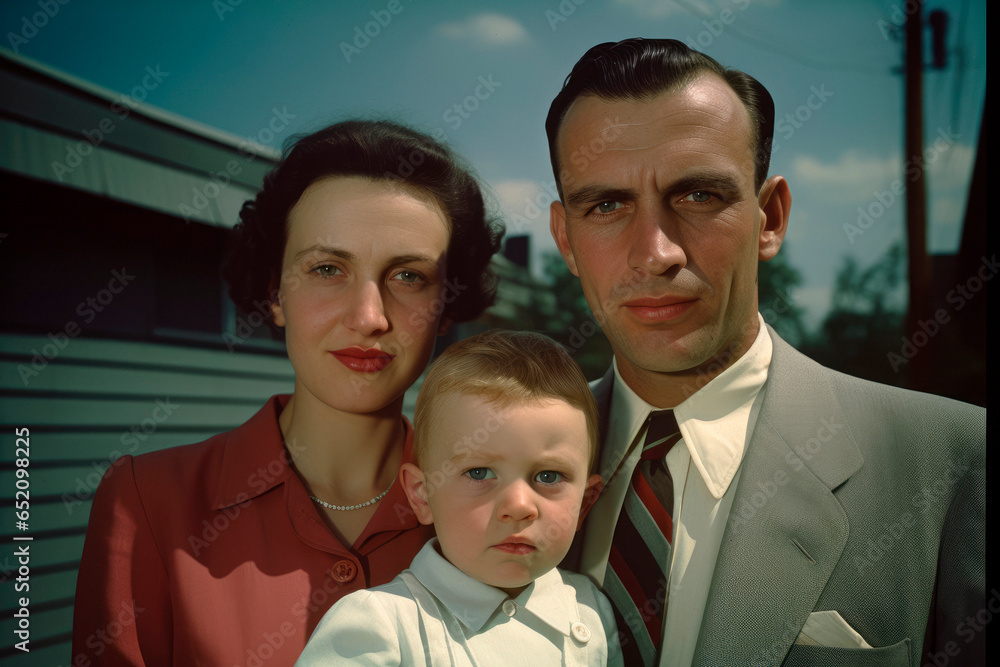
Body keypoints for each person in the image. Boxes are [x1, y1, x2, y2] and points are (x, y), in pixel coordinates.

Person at [546, 39, 985, 666]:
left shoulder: (959, 467)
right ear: (566, 238)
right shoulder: (482, 466)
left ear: (770, 217)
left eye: (698, 196)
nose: (656, 252)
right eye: (607, 205)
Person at [71, 119, 503, 665]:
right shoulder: (145, 503)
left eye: (409, 277)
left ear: (446, 307)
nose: (369, 317)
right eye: (327, 268)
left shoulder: (503, 504)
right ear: (275, 293)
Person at [296, 330, 623, 666]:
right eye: (479, 473)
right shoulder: (380, 625)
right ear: (422, 495)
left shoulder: (590, 608)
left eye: (548, 477)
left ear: (584, 503)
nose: (519, 507)